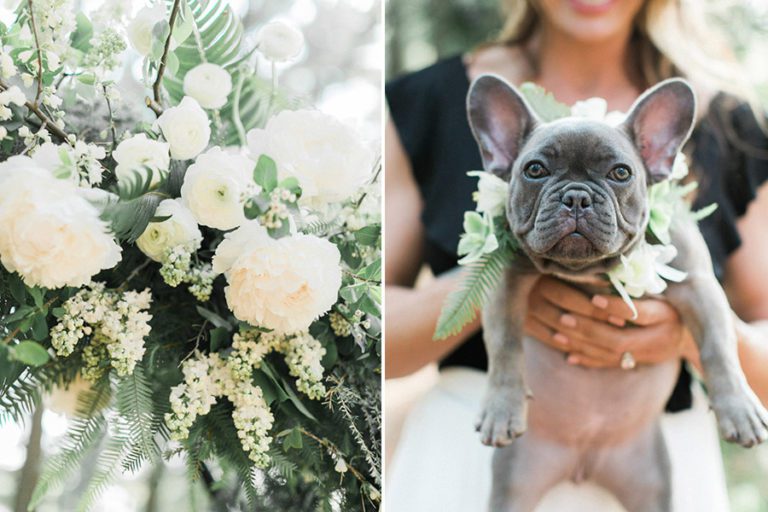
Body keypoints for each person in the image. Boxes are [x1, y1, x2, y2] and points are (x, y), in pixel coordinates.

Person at [384, 0, 768, 510]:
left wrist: (685, 338)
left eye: (615, 176)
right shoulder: (426, 100)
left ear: (658, 156)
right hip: (476, 451)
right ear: (498, 154)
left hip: (653, 446)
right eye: (541, 174)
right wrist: (492, 280)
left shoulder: (729, 122)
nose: (577, 201)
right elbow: (368, 335)